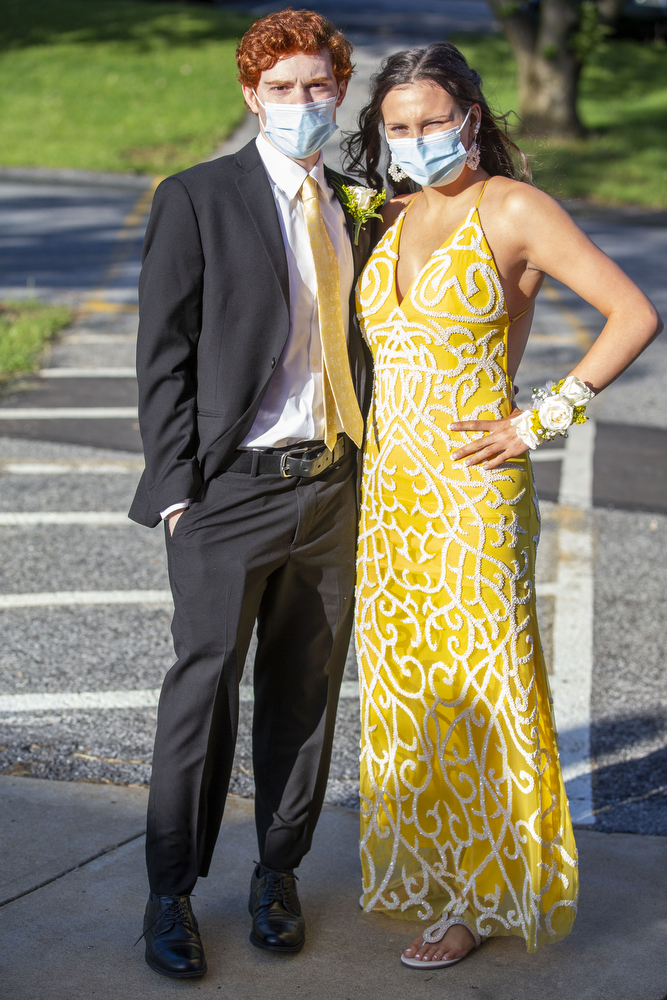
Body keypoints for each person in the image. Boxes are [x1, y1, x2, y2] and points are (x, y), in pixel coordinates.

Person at [344, 42, 662, 969]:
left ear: (471, 118)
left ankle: (486, 893)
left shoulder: (514, 208)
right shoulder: (387, 212)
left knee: (485, 691)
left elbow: (633, 312)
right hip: (387, 498)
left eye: (432, 121)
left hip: (471, 493)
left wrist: (540, 420)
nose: (415, 139)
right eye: (398, 127)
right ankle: (441, 877)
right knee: (411, 697)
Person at [129, 9, 375, 979]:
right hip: (228, 493)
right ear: (250, 96)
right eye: (282, 90)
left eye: (317, 87)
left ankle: (277, 871)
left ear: (338, 91)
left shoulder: (354, 204)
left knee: (304, 695)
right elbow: (163, 359)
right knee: (203, 694)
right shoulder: (197, 199)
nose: (301, 104)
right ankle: (169, 891)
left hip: (331, 487)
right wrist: (178, 486)